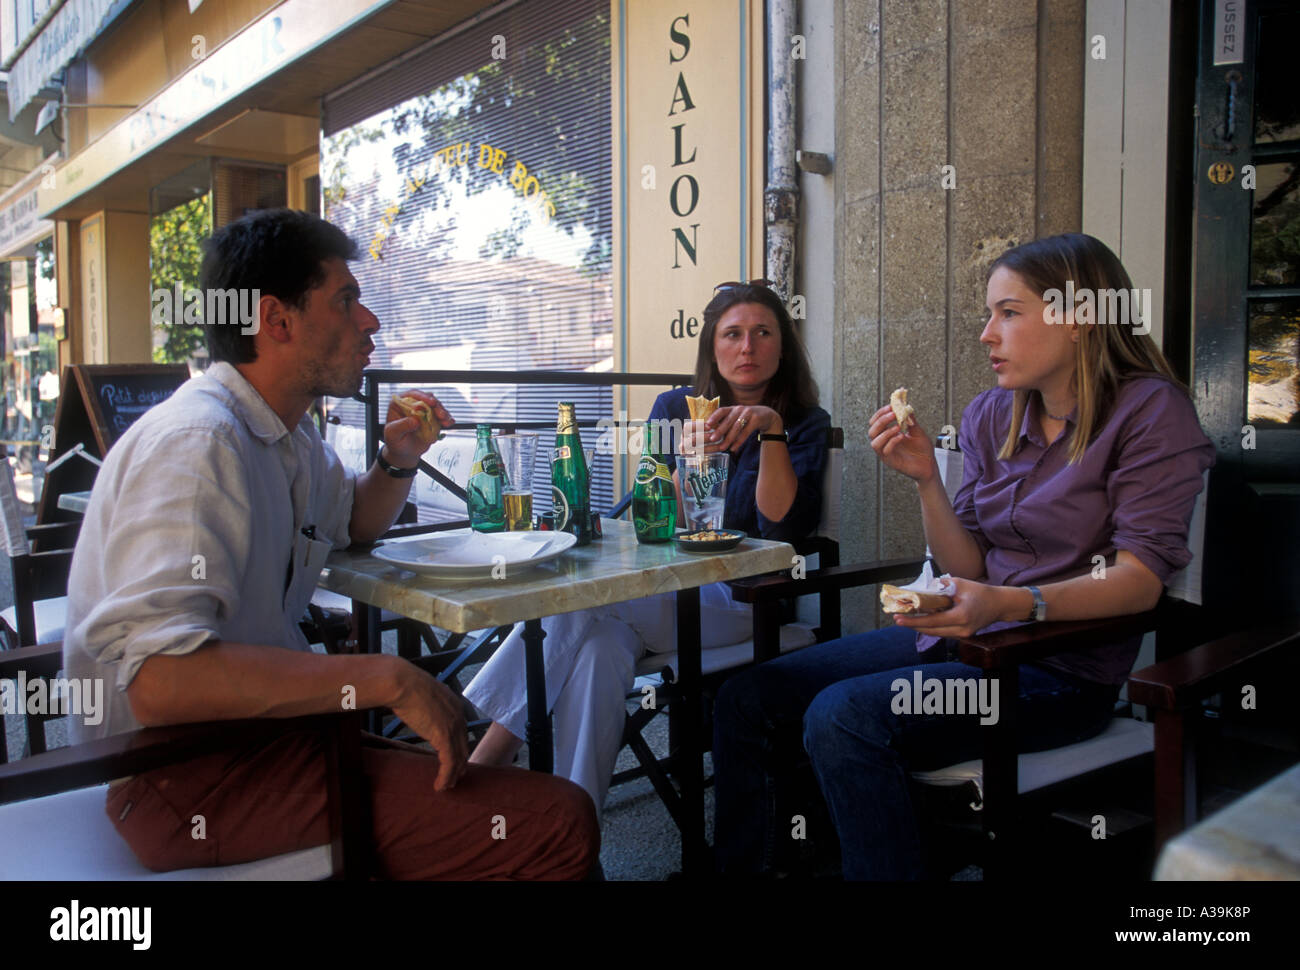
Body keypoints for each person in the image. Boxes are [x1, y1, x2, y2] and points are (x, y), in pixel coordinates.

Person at [63, 209, 598, 880]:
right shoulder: (198, 444)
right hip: (182, 780)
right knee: (557, 822)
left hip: (269, 743)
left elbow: (351, 524)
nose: (370, 321)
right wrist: (384, 679)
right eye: (346, 300)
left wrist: (397, 459)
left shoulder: (288, 435)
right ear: (277, 321)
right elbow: (160, 682)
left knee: (486, 780)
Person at [711, 233, 1216, 878]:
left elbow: (1139, 580)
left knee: (845, 717)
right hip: (964, 638)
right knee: (750, 696)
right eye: (989, 314)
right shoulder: (991, 414)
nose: (986, 334)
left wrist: (1015, 604)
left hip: (1056, 675)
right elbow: (968, 568)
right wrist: (926, 479)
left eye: (1009, 313)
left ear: (1079, 318)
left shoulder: (1150, 412)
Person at [464, 279, 830, 811]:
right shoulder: (674, 407)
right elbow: (648, 522)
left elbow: (781, 533)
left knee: (581, 599)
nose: (746, 347)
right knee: (597, 651)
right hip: (663, 592)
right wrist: (682, 468)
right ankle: (576, 828)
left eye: (761, 333)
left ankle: (482, 758)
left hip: (747, 602)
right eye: (732, 334)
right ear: (712, 346)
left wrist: (771, 430)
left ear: (782, 345)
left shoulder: (804, 423)